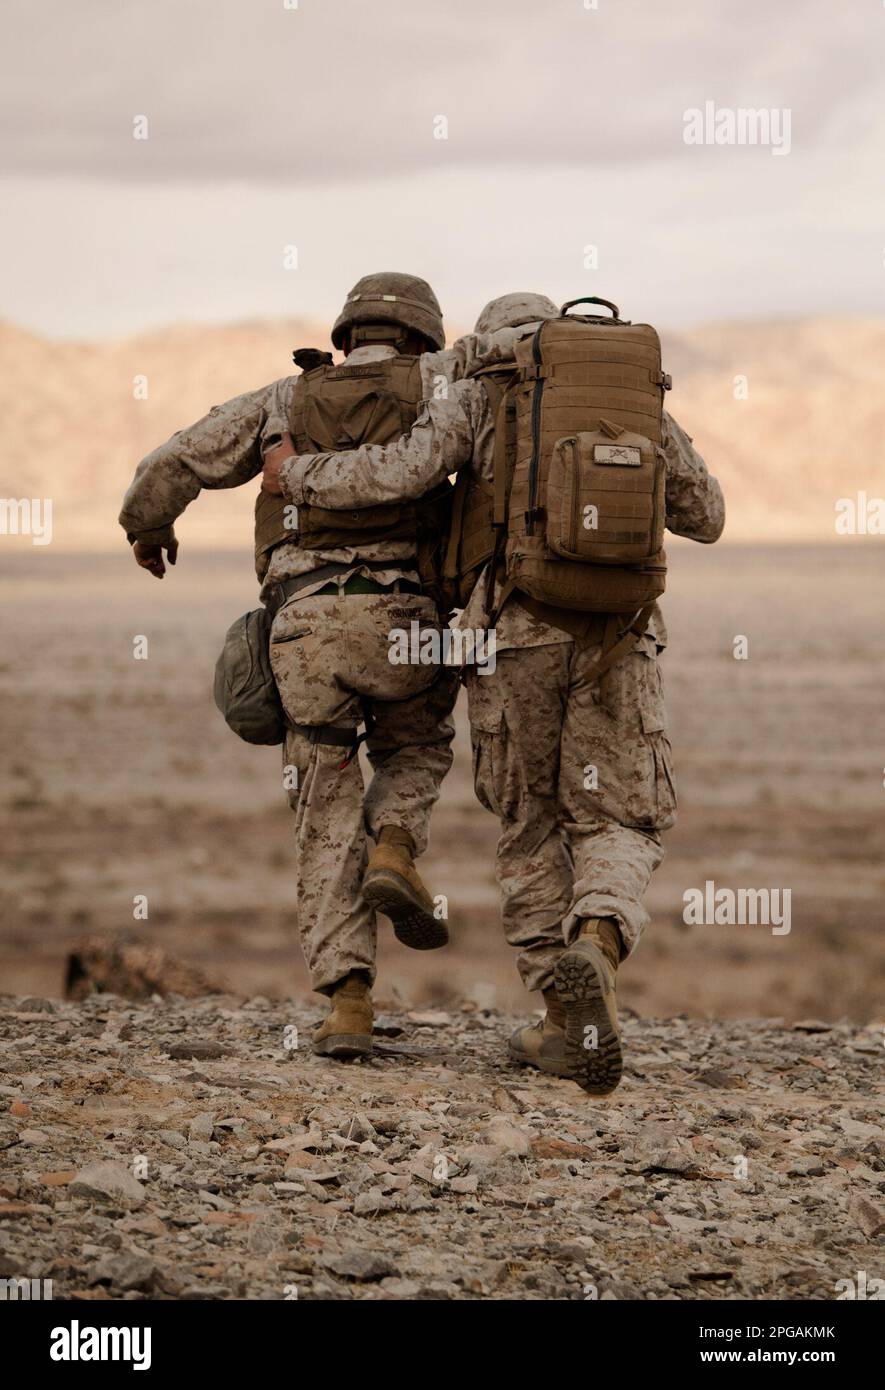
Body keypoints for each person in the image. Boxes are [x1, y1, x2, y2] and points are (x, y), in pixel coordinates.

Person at [261, 291, 726, 1095]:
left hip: (511, 635)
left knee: (528, 826)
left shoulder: (478, 389)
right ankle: (599, 937)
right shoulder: (626, 393)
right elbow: (705, 514)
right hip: (618, 635)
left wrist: (294, 474)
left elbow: (397, 473)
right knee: (620, 815)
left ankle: (557, 1013)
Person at [119, 272, 461, 1059]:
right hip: (412, 622)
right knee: (416, 748)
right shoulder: (445, 390)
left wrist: (147, 527)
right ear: (420, 337)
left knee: (324, 809)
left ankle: (348, 1006)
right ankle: (398, 846)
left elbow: (178, 459)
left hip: (306, 627)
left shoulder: (283, 398)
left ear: (345, 335)